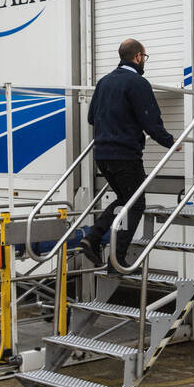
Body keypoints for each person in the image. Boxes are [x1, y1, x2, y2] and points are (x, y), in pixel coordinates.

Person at [74, 38, 177, 269]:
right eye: (144, 57)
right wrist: (170, 142)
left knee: (125, 199)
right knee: (136, 203)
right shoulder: (137, 83)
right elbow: (150, 120)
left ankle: (92, 238)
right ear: (138, 56)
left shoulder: (103, 82)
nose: (144, 62)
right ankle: (116, 259)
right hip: (125, 155)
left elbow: (92, 118)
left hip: (102, 154)